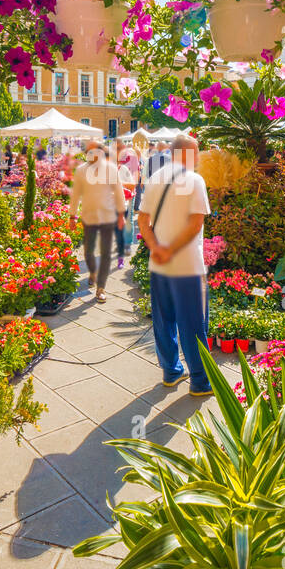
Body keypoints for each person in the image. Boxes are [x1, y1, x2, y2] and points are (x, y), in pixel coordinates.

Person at [138, 134, 213, 396]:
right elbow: (195, 224)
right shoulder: (195, 180)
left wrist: (157, 248)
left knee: (164, 319)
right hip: (187, 266)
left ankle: (171, 371)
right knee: (193, 324)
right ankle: (201, 381)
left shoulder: (155, 178)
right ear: (188, 154)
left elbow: (142, 221)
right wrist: (170, 250)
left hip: (159, 265)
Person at [68, 141, 126, 303]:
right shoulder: (81, 171)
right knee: (88, 250)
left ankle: (101, 288)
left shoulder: (111, 169)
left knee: (106, 252)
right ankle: (93, 272)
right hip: (89, 216)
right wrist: (72, 216)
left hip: (108, 216)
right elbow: (75, 194)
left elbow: (119, 192)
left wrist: (121, 214)